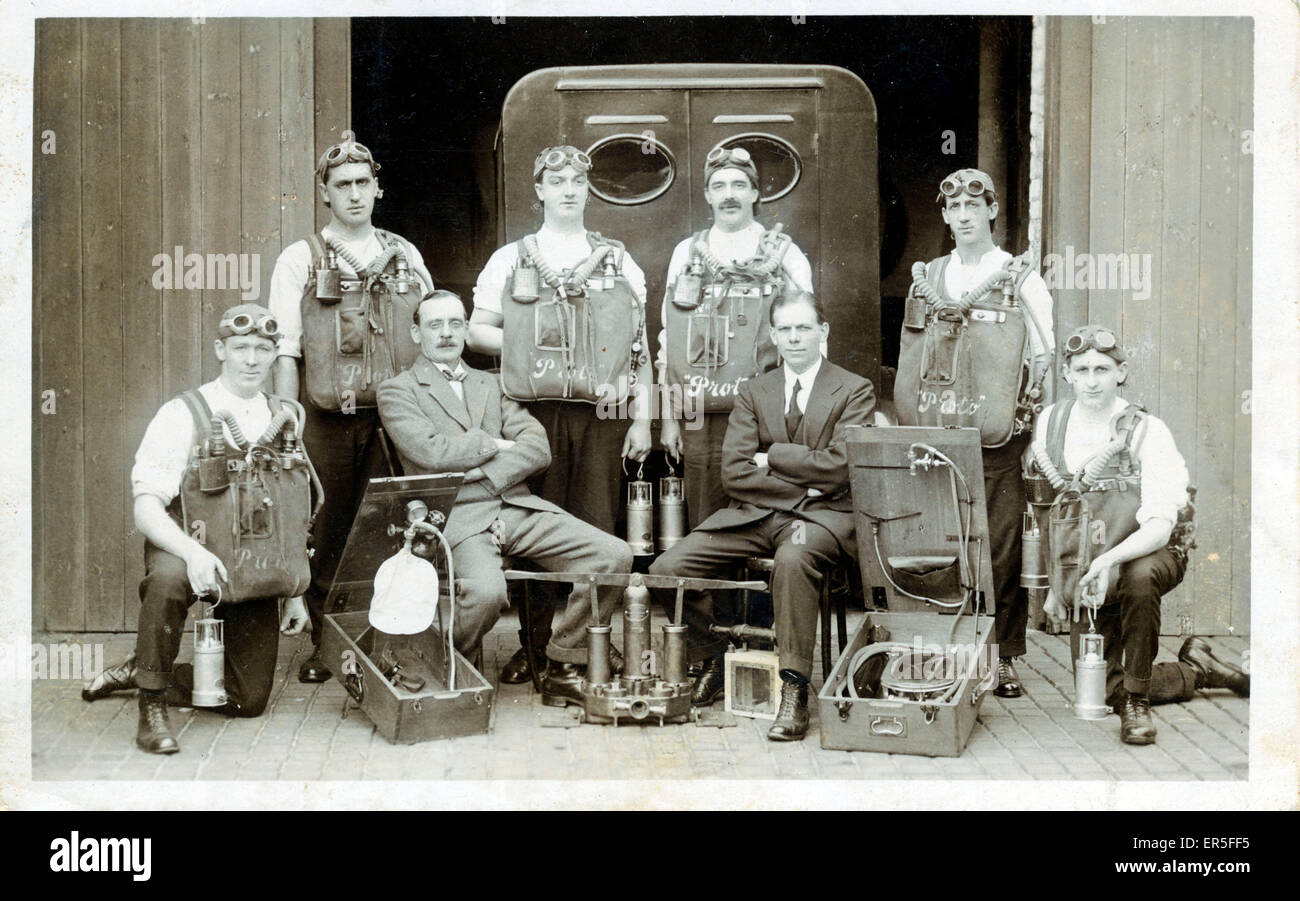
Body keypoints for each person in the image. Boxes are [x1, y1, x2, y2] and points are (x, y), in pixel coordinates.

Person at [379, 290, 634, 701]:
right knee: (486, 593)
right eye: (434, 325)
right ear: (416, 332)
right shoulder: (398, 390)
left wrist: (477, 469)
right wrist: (497, 445)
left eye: (455, 323)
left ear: (466, 329)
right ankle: (448, 662)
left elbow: (537, 447)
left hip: (516, 507)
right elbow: (430, 454)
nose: (446, 334)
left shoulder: (491, 383)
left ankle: (564, 659)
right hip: (457, 519)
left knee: (614, 555)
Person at [81, 304, 313, 754]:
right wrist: (192, 553)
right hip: (187, 542)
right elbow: (146, 509)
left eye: (262, 349)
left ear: (273, 354)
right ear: (219, 350)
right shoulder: (184, 411)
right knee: (168, 580)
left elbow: (290, 511)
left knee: (246, 700)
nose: (251, 359)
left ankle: (143, 668)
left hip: (251, 558)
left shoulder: (283, 416)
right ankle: (151, 707)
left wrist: (294, 590)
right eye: (241, 347)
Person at [648, 291, 876, 741]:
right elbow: (734, 473)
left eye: (804, 328)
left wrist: (772, 456)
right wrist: (805, 480)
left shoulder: (854, 389)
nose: (794, 338)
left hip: (820, 520)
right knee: (667, 568)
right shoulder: (754, 390)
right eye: (785, 329)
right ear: (773, 335)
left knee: (793, 560)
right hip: (756, 516)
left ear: (822, 332)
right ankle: (712, 654)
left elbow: (842, 466)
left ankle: (793, 690)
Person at [467, 144, 652, 686]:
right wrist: (535, 346)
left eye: (578, 180)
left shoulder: (620, 261)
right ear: (540, 190)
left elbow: (641, 347)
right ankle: (532, 645)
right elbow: (479, 329)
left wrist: (642, 420)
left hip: (602, 414)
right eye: (557, 180)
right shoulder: (513, 258)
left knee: (594, 528)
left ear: (588, 190)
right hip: (531, 414)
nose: (569, 189)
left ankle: (582, 646)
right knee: (534, 525)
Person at [267, 132, 434, 684]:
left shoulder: (405, 254)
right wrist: (287, 414)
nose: (355, 194)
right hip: (326, 418)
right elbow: (286, 346)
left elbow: (429, 329)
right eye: (343, 185)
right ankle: (325, 644)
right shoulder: (300, 258)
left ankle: (379, 639)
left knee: (388, 529)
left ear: (378, 188)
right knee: (327, 527)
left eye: (364, 183)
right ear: (325, 193)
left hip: (395, 416)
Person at [1037, 325, 1248, 745]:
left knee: (1138, 577)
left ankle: (1138, 704)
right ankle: (1197, 669)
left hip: (1151, 551)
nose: (1092, 380)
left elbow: (1158, 525)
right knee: (1098, 687)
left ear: (1121, 372)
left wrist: (1107, 561)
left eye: (1102, 368)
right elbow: (1050, 511)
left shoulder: (1148, 431)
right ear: (1067, 374)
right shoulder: (1052, 422)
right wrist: (1055, 588)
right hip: (1090, 556)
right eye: (1082, 369)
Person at [907, 168, 1056, 699]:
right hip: (937, 432)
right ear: (945, 216)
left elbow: (1042, 358)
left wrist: (1035, 434)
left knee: (998, 546)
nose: (965, 216)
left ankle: (1002, 655)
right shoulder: (929, 276)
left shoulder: (1020, 278)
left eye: (976, 206)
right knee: (941, 544)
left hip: (996, 437)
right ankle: (944, 647)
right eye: (955, 209)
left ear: (992, 211)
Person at [658, 145, 815, 528]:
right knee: (705, 515)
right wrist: (669, 419)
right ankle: (706, 591)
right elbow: (668, 340)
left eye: (739, 185)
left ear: (755, 193)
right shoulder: (686, 254)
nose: (729, 194)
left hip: (766, 413)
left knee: (763, 514)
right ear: (708, 196)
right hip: (701, 413)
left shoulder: (784, 254)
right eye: (719, 185)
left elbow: (810, 341)